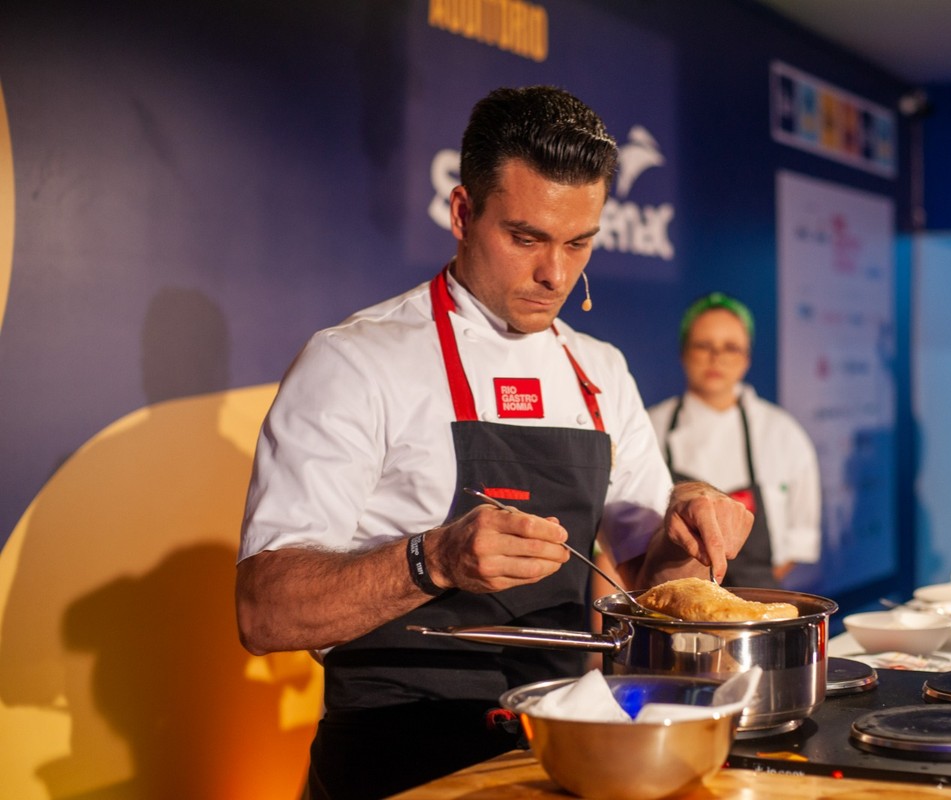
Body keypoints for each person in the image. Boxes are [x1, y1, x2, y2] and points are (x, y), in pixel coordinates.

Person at [234, 86, 753, 800]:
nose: (556, 275)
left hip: (564, 745)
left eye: (579, 244)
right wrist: (433, 558)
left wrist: (690, 525)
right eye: (527, 238)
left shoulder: (599, 370)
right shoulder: (356, 361)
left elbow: (645, 581)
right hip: (399, 749)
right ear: (462, 213)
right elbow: (265, 612)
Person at [646, 292, 820, 588]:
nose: (716, 358)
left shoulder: (783, 433)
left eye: (730, 348)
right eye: (703, 346)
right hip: (674, 601)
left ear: (746, 359)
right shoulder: (650, 427)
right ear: (684, 352)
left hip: (756, 601)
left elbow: (800, 536)